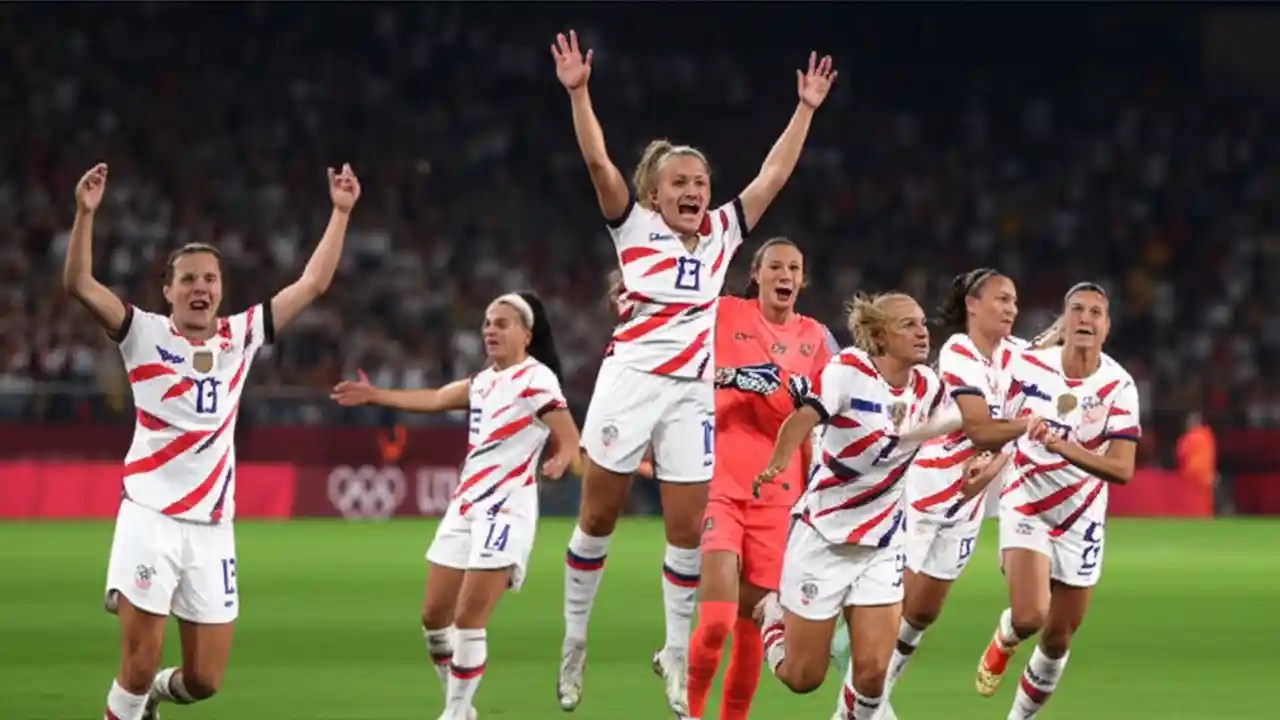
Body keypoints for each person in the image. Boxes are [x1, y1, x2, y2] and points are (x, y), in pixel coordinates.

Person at [548, 28, 837, 716]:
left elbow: (771, 178)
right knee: (598, 516)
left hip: (689, 399)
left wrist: (805, 110)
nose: (694, 191)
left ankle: (677, 657)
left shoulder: (725, 234)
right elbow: (596, 161)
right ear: (654, 190)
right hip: (631, 382)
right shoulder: (631, 226)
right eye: (680, 182)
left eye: (701, 182)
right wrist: (580, 91)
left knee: (685, 532)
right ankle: (574, 641)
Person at [65, 162, 360, 720]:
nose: (201, 288)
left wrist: (340, 213)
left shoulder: (240, 336)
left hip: (212, 528)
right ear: (168, 290)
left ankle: (153, 697)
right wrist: (84, 216)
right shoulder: (143, 333)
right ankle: (132, 698)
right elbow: (80, 284)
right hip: (150, 517)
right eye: (190, 279)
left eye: (210, 280)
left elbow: (313, 283)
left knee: (204, 680)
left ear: (221, 291)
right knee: (136, 663)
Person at [750, 291, 1005, 720]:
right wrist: (779, 458)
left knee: (872, 675)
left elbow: (975, 426)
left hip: (883, 542)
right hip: (823, 539)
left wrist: (990, 459)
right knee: (802, 677)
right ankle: (773, 616)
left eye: (923, 322)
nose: (922, 331)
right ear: (879, 335)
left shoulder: (928, 385)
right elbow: (805, 416)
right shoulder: (847, 371)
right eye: (908, 324)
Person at [331, 292, 581, 720]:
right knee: (433, 617)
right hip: (465, 506)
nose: (490, 330)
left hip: (505, 509)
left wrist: (562, 456)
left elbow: (568, 432)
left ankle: (456, 712)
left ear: (526, 334)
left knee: (469, 617)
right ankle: (460, 706)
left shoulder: (537, 379)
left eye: (501, 323)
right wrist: (376, 395)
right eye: (487, 323)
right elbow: (433, 398)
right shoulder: (483, 381)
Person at [685, 238, 838, 720]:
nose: (785, 274)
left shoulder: (817, 339)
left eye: (794, 267)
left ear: (803, 280)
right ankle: (687, 709)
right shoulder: (724, 313)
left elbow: (833, 410)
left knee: (752, 631)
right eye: (775, 266)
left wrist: (803, 397)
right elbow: (683, 366)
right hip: (721, 487)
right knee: (713, 621)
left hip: (780, 499)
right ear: (757, 274)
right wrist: (732, 377)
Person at [974, 282, 1141, 720]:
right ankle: (1007, 635)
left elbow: (1122, 470)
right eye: (1077, 310)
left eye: (1095, 313)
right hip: (1027, 499)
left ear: (1107, 327)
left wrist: (1059, 443)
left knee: (1058, 639)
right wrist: (988, 462)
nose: (1085, 318)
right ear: (1064, 322)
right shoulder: (1028, 367)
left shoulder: (1119, 387)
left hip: (1082, 518)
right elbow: (1000, 426)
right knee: (1030, 615)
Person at [872, 269, 1031, 714]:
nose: (1010, 308)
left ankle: (878, 692)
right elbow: (981, 429)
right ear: (972, 305)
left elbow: (1050, 356)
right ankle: (864, 703)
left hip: (967, 502)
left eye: (1015, 301)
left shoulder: (1016, 354)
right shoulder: (959, 353)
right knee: (891, 609)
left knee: (922, 613)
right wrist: (1031, 425)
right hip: (927, 491)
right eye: (1001, 299)